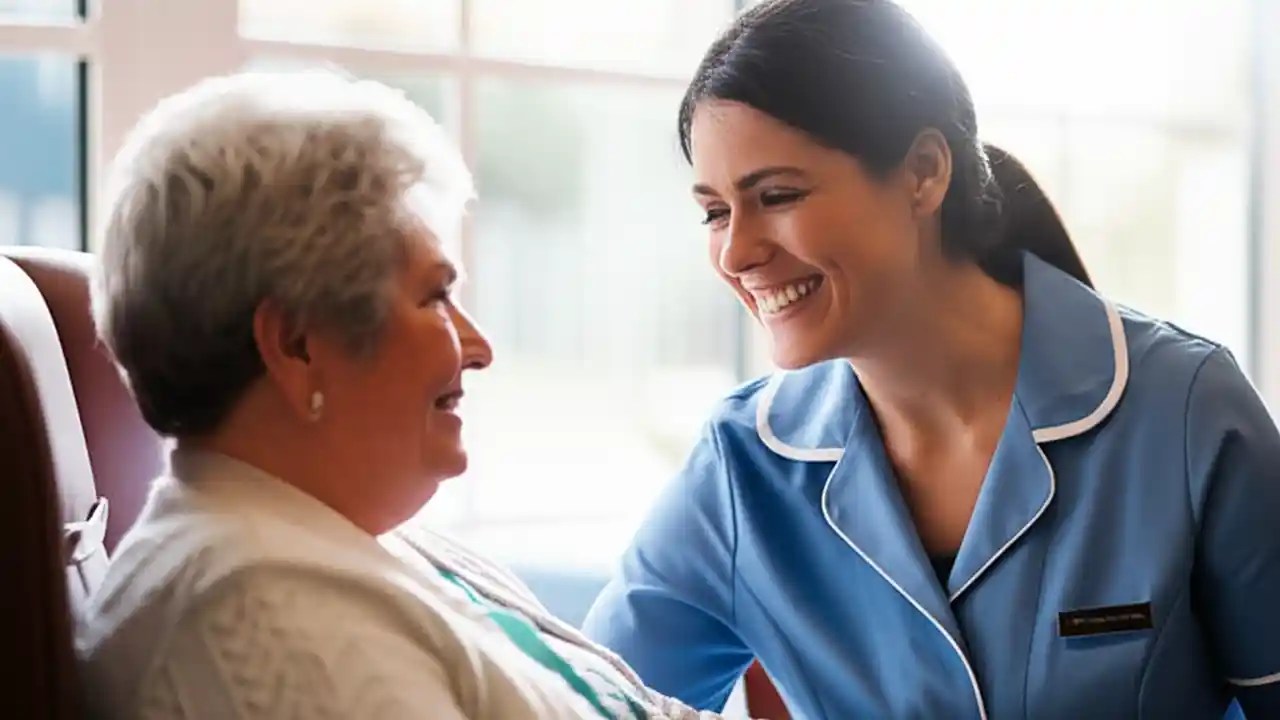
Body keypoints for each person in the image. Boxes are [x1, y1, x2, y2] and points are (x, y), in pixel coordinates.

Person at [581, 1, 1280, 718]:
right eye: (716, 212)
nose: (736, 252)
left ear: (923, 172)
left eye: (777, 195)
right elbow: (572, 701)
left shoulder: (1187, 413)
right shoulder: (740, 470)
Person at [77, 70, 736, 720]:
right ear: (298, 345)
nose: (478, 347)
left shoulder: (348, 540)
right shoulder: (266, 616)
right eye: (436, 297)